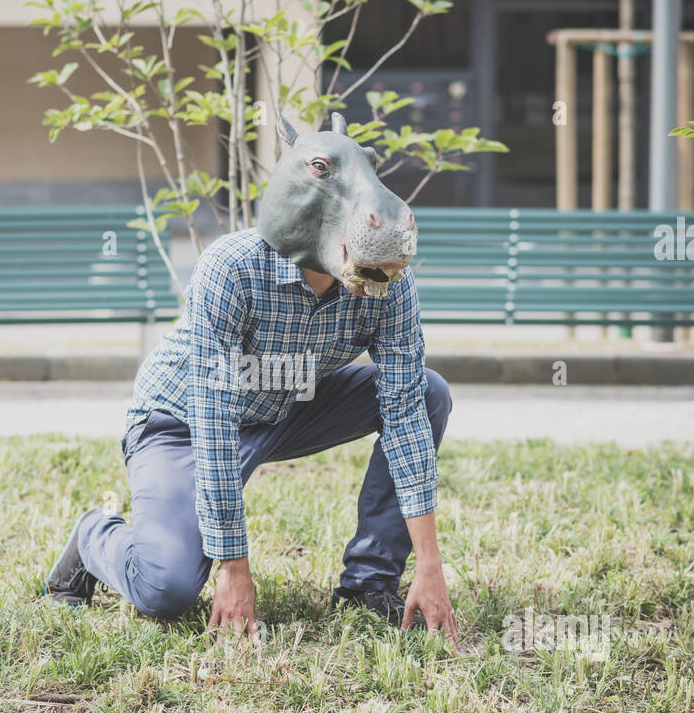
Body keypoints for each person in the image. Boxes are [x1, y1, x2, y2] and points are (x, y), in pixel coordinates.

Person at [46, 116, 460, 647]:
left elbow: (403, 410)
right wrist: (233, 568)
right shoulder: (232, 267)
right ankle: (93, 535)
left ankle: (369, 582)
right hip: (184, 421)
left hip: (287, 403)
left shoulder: (385, 283)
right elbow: (214, 416)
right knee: (165, 591)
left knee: (428, 392)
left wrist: (430, 564)